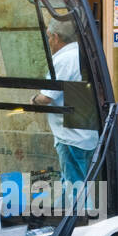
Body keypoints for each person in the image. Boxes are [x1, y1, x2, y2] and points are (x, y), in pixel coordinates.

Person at [32, 17, 98, 187]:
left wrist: (33, 99)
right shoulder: (83, 53)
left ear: (56, 37)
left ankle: (80, 213)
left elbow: (46, 98)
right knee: (78, 183)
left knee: (75, 187)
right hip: (87, 134)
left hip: (71, 138)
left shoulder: (63, 59)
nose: (48, 42)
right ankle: (76, 211)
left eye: (48, 37)